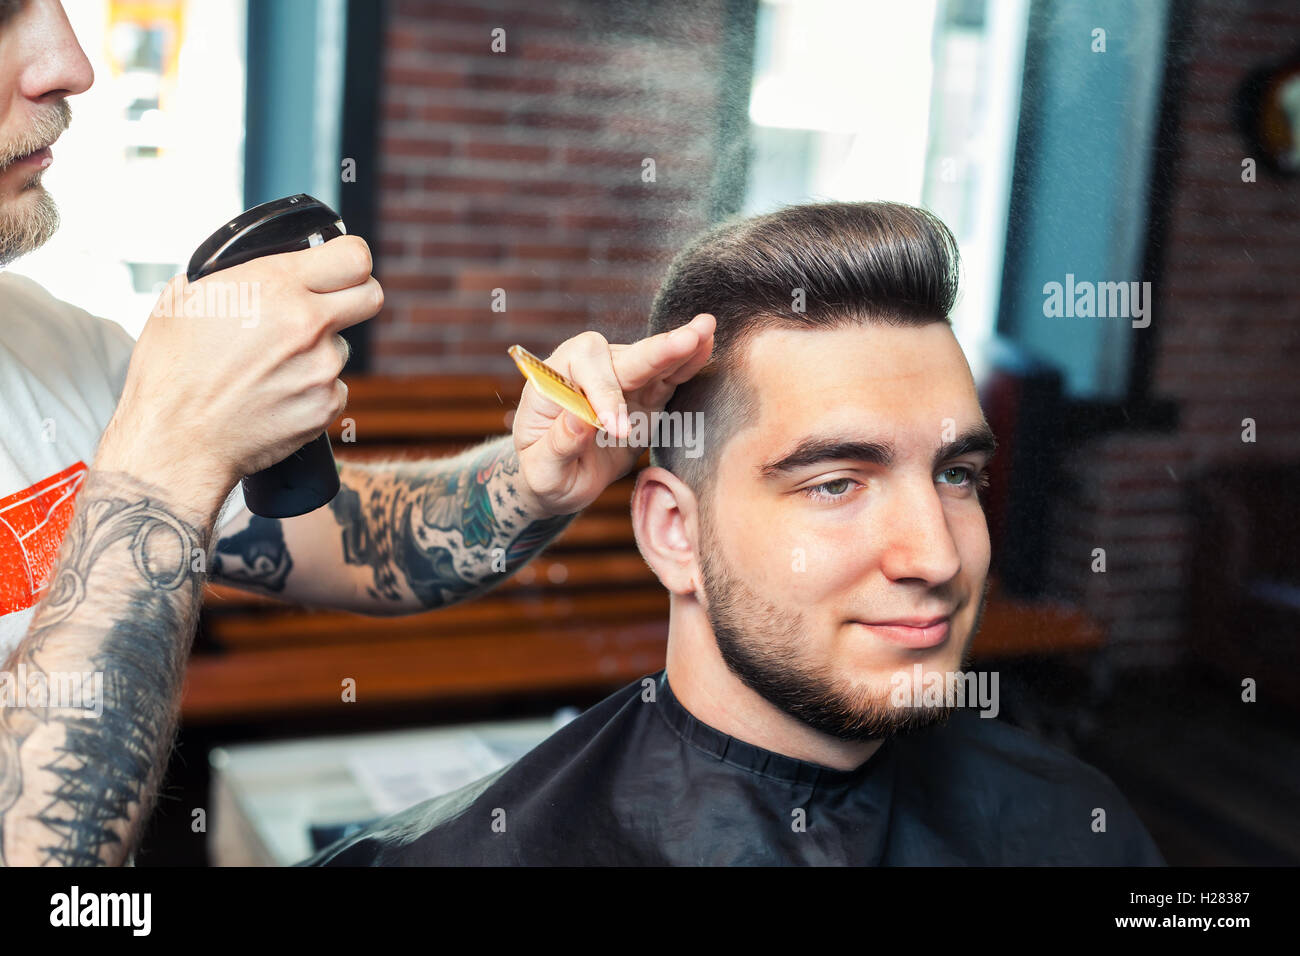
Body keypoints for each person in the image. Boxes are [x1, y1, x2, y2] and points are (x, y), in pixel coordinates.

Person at [0, 0, 715, 865]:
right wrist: (166, 457)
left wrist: (528, 478)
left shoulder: (52, 348)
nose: (68, 64)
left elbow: (361, 543)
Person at [303, 201, 1166, 866]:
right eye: (836, 483)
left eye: (956, 475)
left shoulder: (1077, 824)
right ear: (675, 532)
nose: (937, 556)